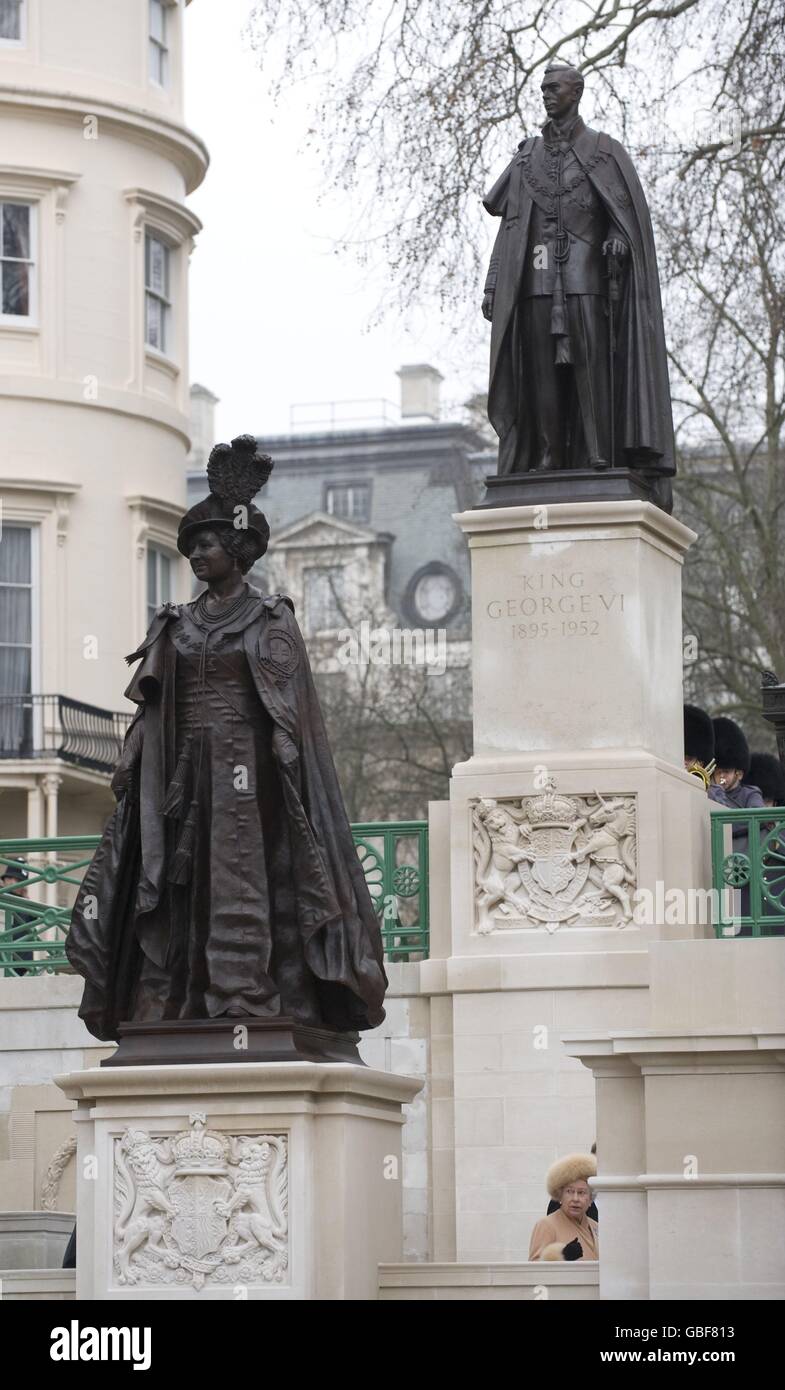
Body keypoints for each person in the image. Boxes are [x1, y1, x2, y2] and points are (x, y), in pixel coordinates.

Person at [65, 434, 387, 1042]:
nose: (195, 555)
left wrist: (286, 757)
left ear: (237, 551)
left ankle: (244, 993)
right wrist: (133, 755)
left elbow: (289, 706)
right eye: (191, 546)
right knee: (176, 881)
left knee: (241, 878)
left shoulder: (270, 618)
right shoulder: (176, 623)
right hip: (182, 771)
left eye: (206, 544)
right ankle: (176, 998)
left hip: (248, 774)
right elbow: (151, 703)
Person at [482, 59, 674, 510]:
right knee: (541, 374)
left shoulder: (605, 152)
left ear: (577, 92)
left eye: (555, 88)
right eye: (543, 89)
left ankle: (597, 451)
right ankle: (548, 454)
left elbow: (622, 217)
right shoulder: (527, 156)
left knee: (591, 369)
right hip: (535, 282)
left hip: (587, 278)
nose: (547, 95)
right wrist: (494, 284)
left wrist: (617, 240)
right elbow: (509, 227)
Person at [529, 1153, 598, 1260]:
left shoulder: (596, 1227)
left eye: (581, 1192)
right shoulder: (546, 1225)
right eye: (569, 1191)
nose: (575, 1198)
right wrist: (562, 1255)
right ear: (560, 1196)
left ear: (590, 1199)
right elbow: (535, 1265)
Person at [1, 857, 33, 975]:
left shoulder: (25, 903)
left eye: (19, 880)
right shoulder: (4, 897)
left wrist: (26, 899)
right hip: (5, 960)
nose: (13, 882)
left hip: (21, 964)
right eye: (10, 878)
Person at [683, 704, 716, 789]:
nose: (683, 763)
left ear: (700, 763)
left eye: (688, 759)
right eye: (681, 757)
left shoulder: (716, 792)